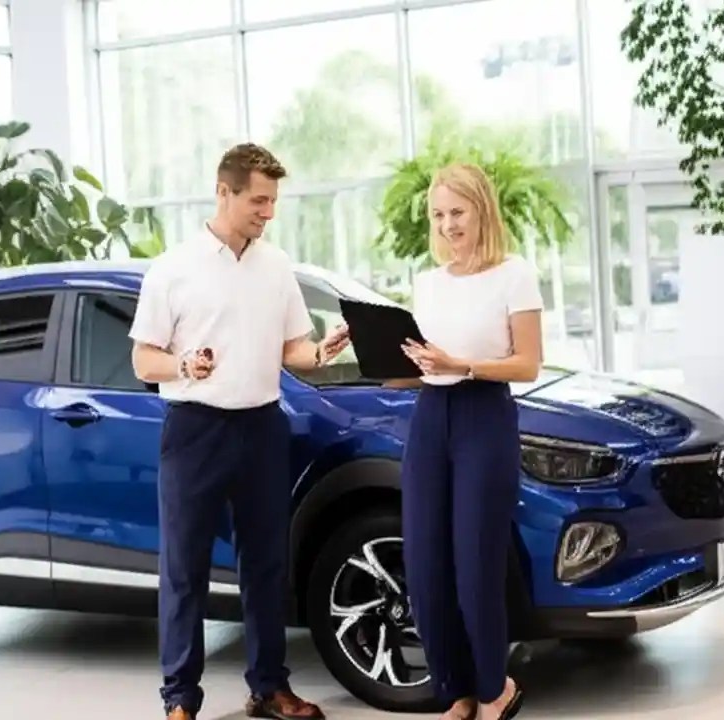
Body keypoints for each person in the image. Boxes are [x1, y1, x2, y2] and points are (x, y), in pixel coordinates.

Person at [129, 142, 351, 720]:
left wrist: (319, 352)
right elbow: (142, 360)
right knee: (185, 568)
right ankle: (179, 700)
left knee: (266, 564)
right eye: (258, 199)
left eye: (274, 200)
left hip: (262, 426)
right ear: (223, 191)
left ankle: (269, 688)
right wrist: (182, 366)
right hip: (195, 428)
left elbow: (291, 349)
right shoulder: (172, 268)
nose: (268, 211)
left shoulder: (276, 266)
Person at [398, 163, 542, 720]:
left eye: (457, 212)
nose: (448, 224)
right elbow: (417, 371)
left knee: (475, 563)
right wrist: (381, 357)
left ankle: (493, 688)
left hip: (485, 416)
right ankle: (454, 690)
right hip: (430, 414)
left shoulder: (514, 274)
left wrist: (460, 365)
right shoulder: (427, 283)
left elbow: (527, 363)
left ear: (482, 208)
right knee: (425, 562)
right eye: (439, 214)